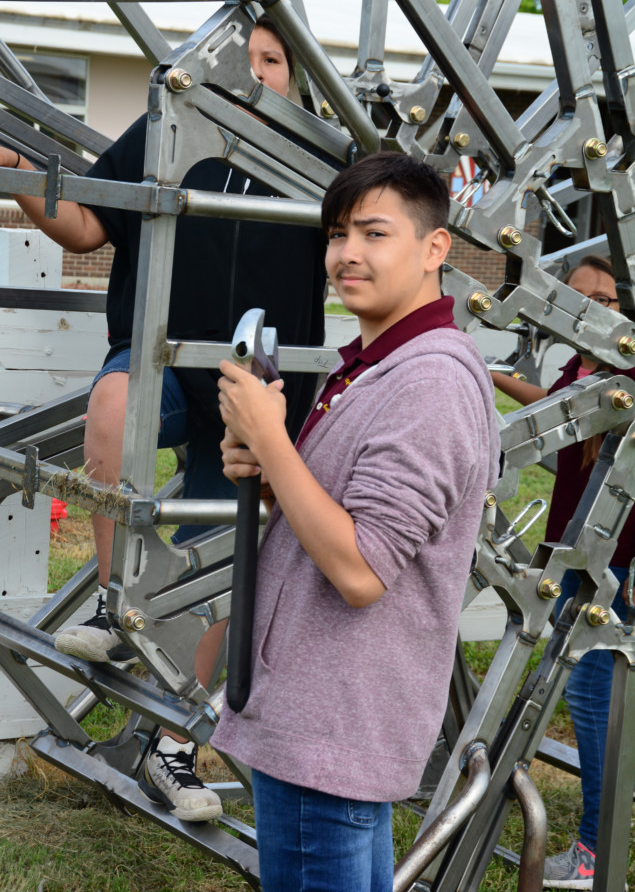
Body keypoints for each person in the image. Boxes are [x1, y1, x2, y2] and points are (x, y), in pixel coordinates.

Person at [0, 18, 326, 823]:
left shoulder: (321, 165)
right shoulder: (162, 131)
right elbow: (90, 224)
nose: (253, 73)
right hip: (155, 362)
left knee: (221, 564)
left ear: (295, 83)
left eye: (271, 61)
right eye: (240, 58)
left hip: (254, 387)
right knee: (112, 402)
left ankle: (173, 744)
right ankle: (116, 601)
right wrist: (18, 174)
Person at [213, 151, 500, 892]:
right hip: (319, 722)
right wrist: (271, 470)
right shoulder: (376, 365)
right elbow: (336, 523)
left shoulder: (430, 380)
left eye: (374, 234)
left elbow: (361, 571)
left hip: (332, 730)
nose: (346, 254)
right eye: (338, 234)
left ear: (435, 248)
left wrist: (273, 439)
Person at [493, 255, 634, 891]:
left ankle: (593, 857)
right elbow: (553, 410)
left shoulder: (628, 367)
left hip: (610, 569)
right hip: (571, 558)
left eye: (607, 297)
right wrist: (492, 376)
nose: (597, 308)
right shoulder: (583, 369)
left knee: (593, 706)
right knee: (585, 702)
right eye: (580, 298)